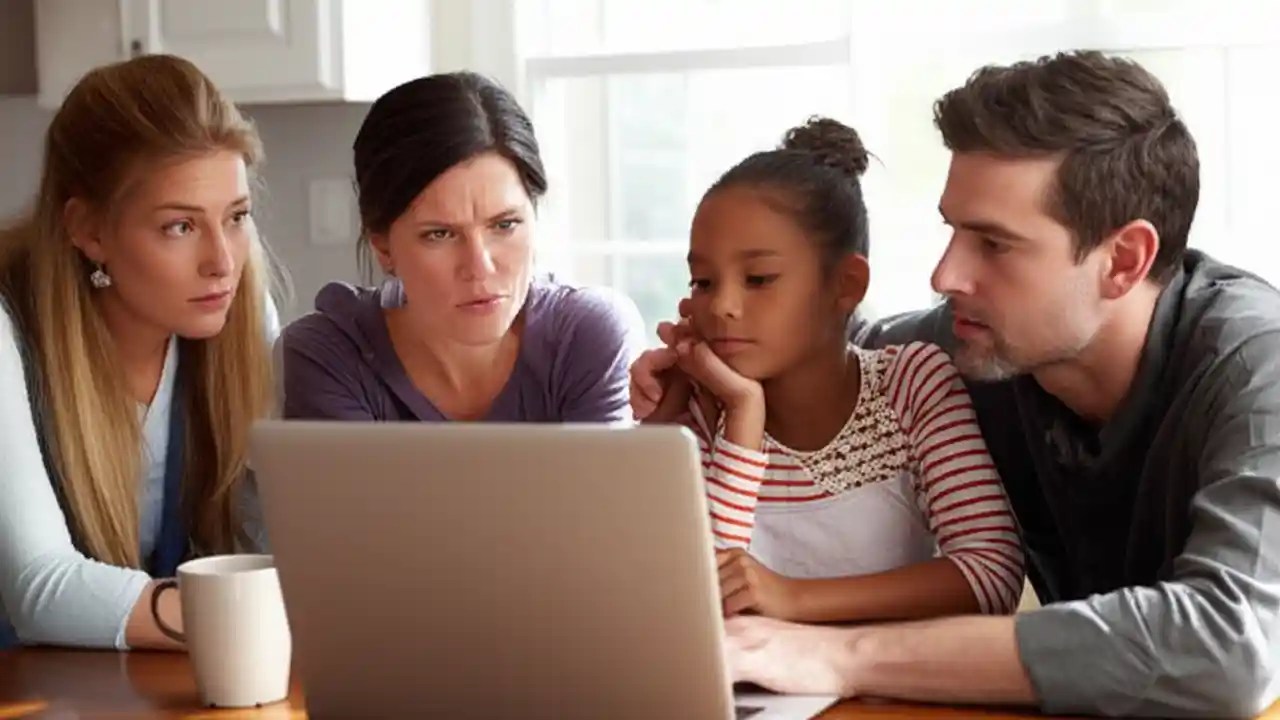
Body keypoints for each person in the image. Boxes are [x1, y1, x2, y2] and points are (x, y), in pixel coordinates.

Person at [717, 51, 1280, 718]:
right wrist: (705, 367)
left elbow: (1231, 646)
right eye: (952, 230)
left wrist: (843, 656)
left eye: (994, 244)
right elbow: (834, 356)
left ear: (1123, 260)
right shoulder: (971, 344)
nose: (945, 274)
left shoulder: (1257, 367)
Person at [629, 117, 1024, 625]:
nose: (722, 305)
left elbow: (990, 574)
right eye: (703, 281)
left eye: (759, 278)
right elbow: (690, 613)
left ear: (846, 284)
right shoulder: (700, 412)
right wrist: (733, 419)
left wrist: (790, 597)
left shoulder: (912, 384)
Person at [0, 55, 281, 650]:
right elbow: (40, 589)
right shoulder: (8, 328)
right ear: (90, 231)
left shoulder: (235, 308)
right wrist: (256, 614)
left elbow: (269, 535)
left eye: (235, 218)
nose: (222, 262)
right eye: (179, 226)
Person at [281, 72, 641, 424]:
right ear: (383, 248)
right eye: (440, 234)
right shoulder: (330, 354)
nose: (480, 266)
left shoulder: (587, 337)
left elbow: (599, 485)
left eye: (504, 225)